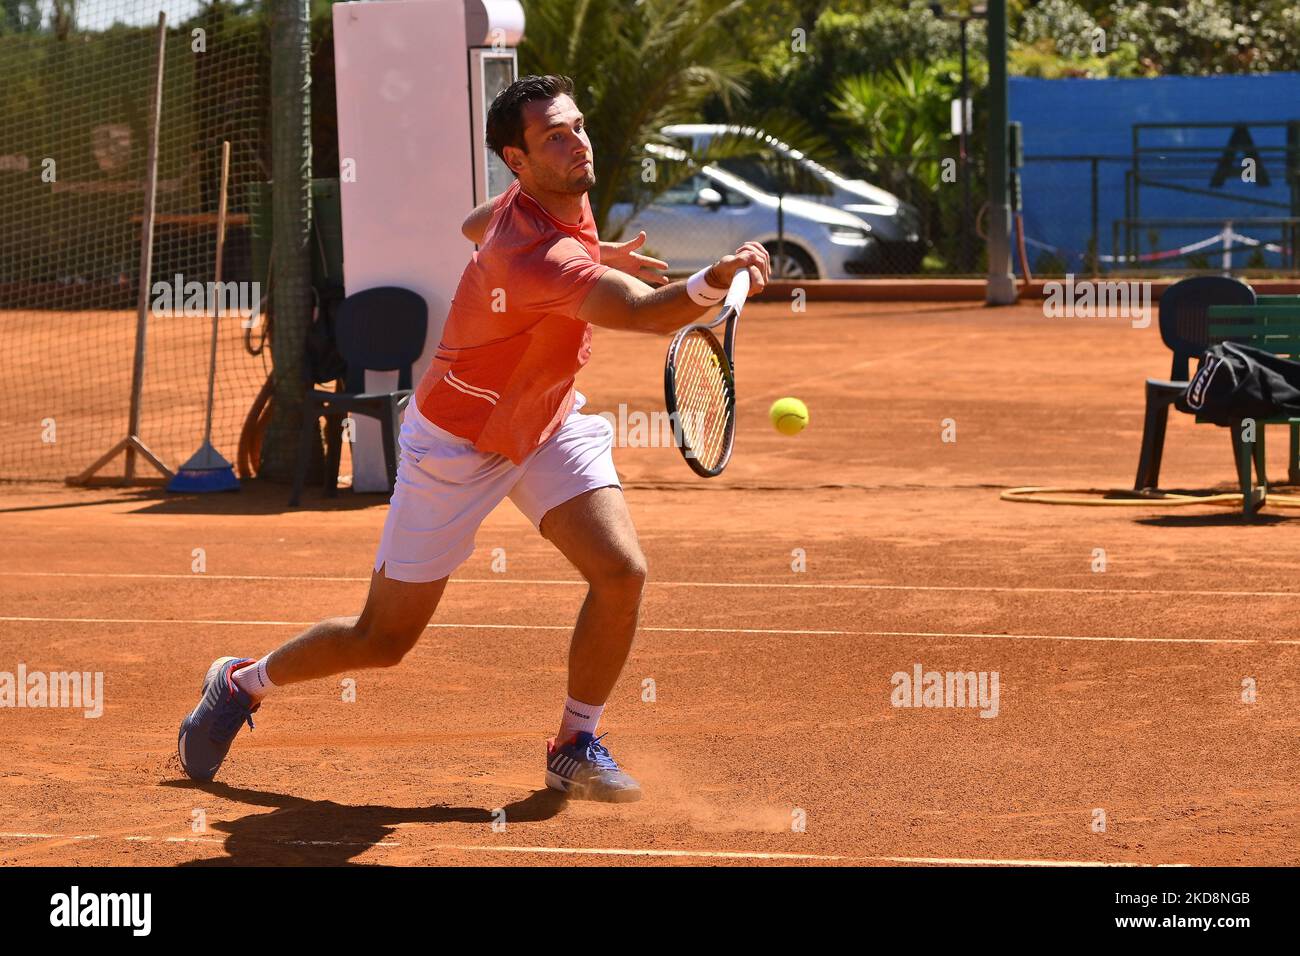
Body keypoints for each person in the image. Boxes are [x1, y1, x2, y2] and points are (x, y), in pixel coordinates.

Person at [178, 74, 769, 802]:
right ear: (517, 160)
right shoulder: (534, 256)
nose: (578, 142)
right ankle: (241, 682)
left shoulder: (544, 198)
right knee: (382, 642)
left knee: (621, 572)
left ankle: (574, 743)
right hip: (457, 444)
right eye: (555, 136)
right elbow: (648, 315)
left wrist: (598, 248)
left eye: (577, 125)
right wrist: (715, 278)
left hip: (546, 419)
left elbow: (471, 223)